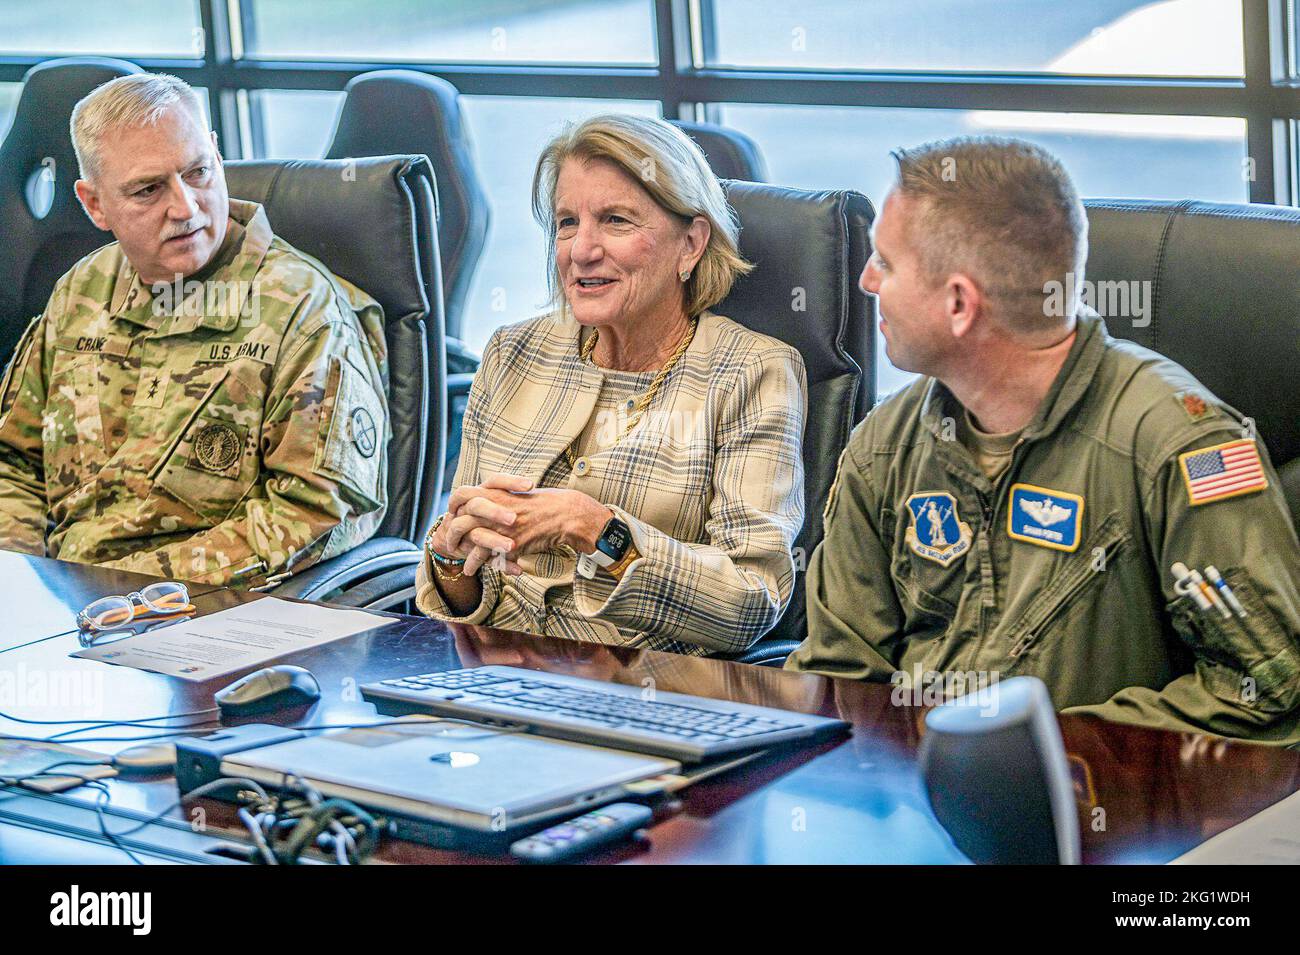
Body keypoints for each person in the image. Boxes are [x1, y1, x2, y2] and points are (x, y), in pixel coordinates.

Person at [787, 136, 1300, 743]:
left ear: (959, 303)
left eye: (888, 263)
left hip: (1118, 812)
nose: (868, 281)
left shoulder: (1184, 443)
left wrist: (1050, 745)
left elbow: (1265, 686)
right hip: (913, 797)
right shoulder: (884, 444)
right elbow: (836, 675)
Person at [416, 114, 806, 656]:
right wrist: (451, 561)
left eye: (616, 221)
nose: (581, 250)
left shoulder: (751, 371)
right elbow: (465, 591)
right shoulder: (513, 352)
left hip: (648, 695)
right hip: (500, 681)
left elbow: (751, 598)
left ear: (691, 244)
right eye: (567, 222)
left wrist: (594, 527)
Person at [0, 73, 389, 588]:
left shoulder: (301, 307)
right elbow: (13, 462)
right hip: (66, 606)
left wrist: (123, 586)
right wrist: (23, 580)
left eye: (198, 172)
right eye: (147, 190)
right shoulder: (82, 290)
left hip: (206, 611)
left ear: (218, 158)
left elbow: (318, 510)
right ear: (95, 205)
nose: (185, 208)